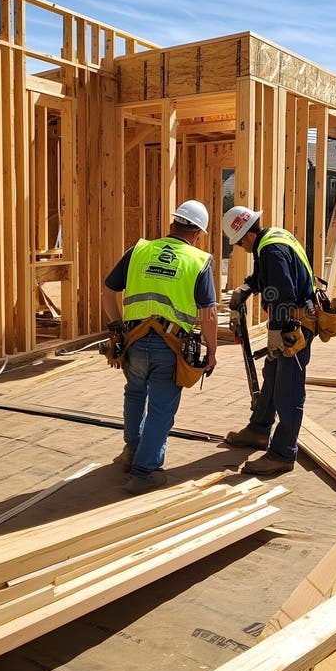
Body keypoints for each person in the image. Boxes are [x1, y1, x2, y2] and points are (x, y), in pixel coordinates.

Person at [102, 200, 218, 495]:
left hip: (134, 341)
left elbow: (108, 288)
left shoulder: (139, 251)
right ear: (198, 234)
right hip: (170, 346)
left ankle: (131, 452)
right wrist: (212, 352)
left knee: (135, 393)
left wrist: (116, 325)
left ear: (172, 225)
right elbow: (208, 314)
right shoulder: (198, 260)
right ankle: (144, 472)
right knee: (161, 409)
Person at [222, 206, 316, 475]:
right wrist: (247, 287)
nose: (240, 247)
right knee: (273, 376)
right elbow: (267, 277)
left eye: (239, 242)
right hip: (293, 318)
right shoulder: (272, 238)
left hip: (293, 324)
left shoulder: (270, 249)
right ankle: (259, 430)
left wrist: (278, 329)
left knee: (288, 389)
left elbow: (283, 292)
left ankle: (283, 454)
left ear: (247, 235)